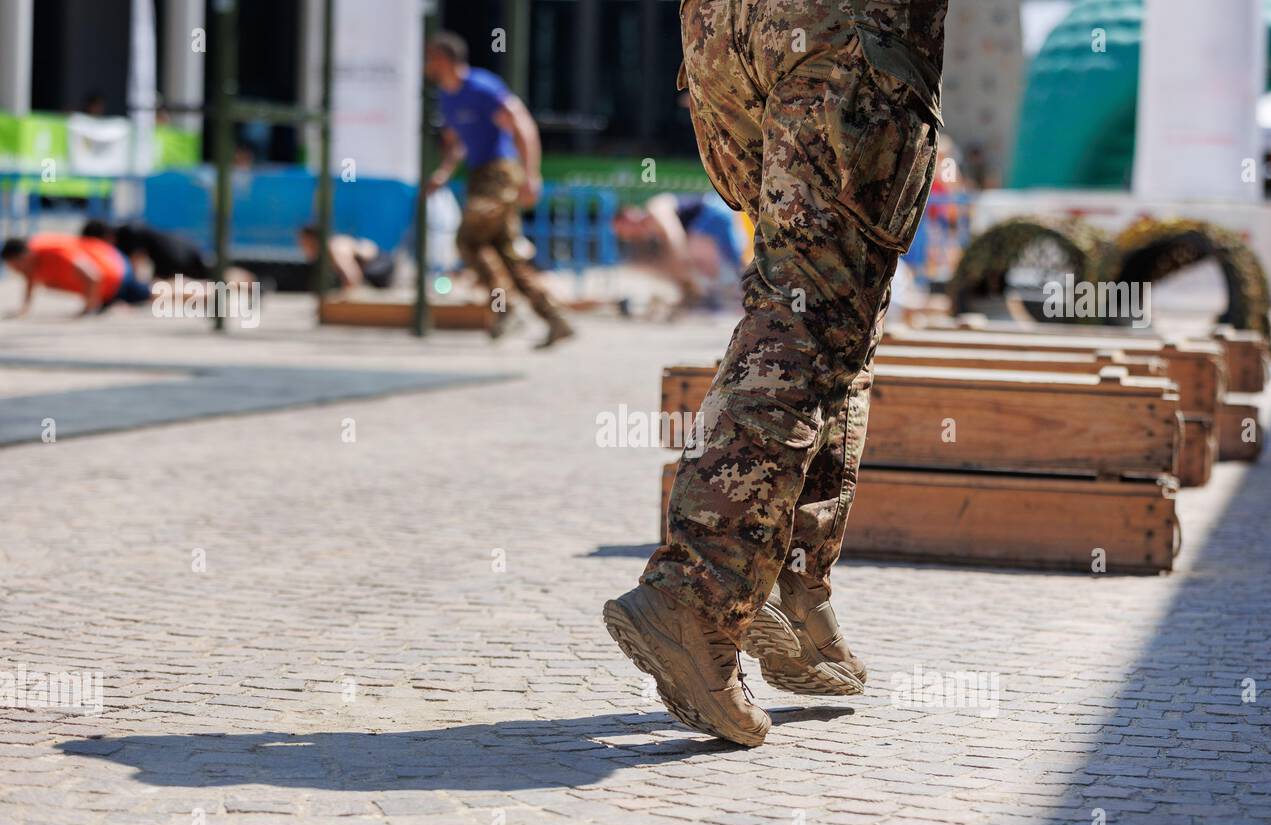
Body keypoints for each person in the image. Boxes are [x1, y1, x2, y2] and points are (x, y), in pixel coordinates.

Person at [604, 0, 948, 746]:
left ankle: (793, 581)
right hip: (841, 34)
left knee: (826, 312)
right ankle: (697, 595)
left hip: (722, 34)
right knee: (809, 310)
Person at [423, 31, 574, 348]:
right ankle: (554, 318)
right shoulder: (448, 97)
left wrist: (531, 174)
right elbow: (454, 143)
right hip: (478, 175)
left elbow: (522, 124)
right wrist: (443, 173)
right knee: (507, 255)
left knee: (468, 237)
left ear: (444, 58)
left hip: (501, 173)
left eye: (430, 57)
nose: (426, 64)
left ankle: (505, 306)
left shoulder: (482, 87)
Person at [613, 193, 747, 311]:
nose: (627, 236)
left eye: (623, 230)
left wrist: (683, 264)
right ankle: (721, 294)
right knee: (730, 262)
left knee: (732, 261)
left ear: (629, 215)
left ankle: (737, 292)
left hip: (713, 211)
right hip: (710, 218)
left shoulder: (655, 208)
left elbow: (674, 235)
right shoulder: (651, 231)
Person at [2, 234, 156, 318]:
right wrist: (24, 309)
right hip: (107, 277)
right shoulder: (33, 260)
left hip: (114, 274)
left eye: (17, 266)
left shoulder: (53, 252)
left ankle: (178, 291)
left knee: (153, 294)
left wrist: (89, 309)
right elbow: (30, 278)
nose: (18, 272)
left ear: (24, 256)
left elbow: (92, 275)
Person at [82, 220, 216, 282]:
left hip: (174, 258)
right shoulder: (126, 231)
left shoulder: (128, 233)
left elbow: (135, 261)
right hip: (179, 254)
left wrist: (131, 289)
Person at [297, 225, 395, 291]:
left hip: (380, 265)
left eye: (305, 243)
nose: (302, 247)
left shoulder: (335, 248)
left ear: (315, 240)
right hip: (372, 264)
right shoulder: (329, 250)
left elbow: (352, 277)